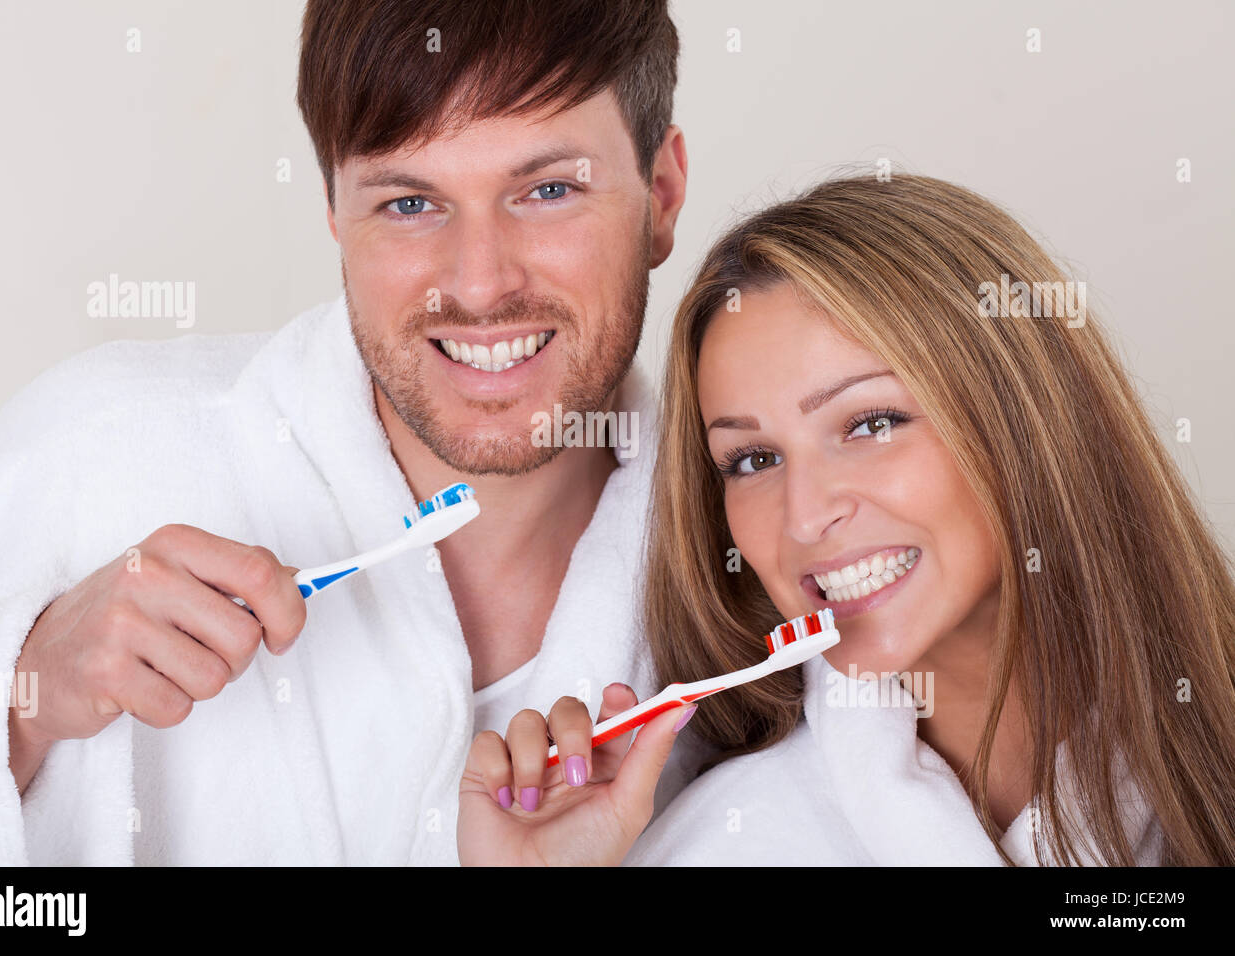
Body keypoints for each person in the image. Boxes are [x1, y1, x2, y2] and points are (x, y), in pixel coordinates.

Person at [0, 0, 694, 865]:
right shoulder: (91, 452)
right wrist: (18, 698)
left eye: (549, 190)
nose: (480, 285)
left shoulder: (765, 566)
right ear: (335, 211)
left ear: (661, 197)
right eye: (410, 203)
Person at [458, 173, 1235, 866]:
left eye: (869, 425)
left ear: (1022, 421)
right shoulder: (729, 841)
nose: (804, 516)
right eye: (753, 461)